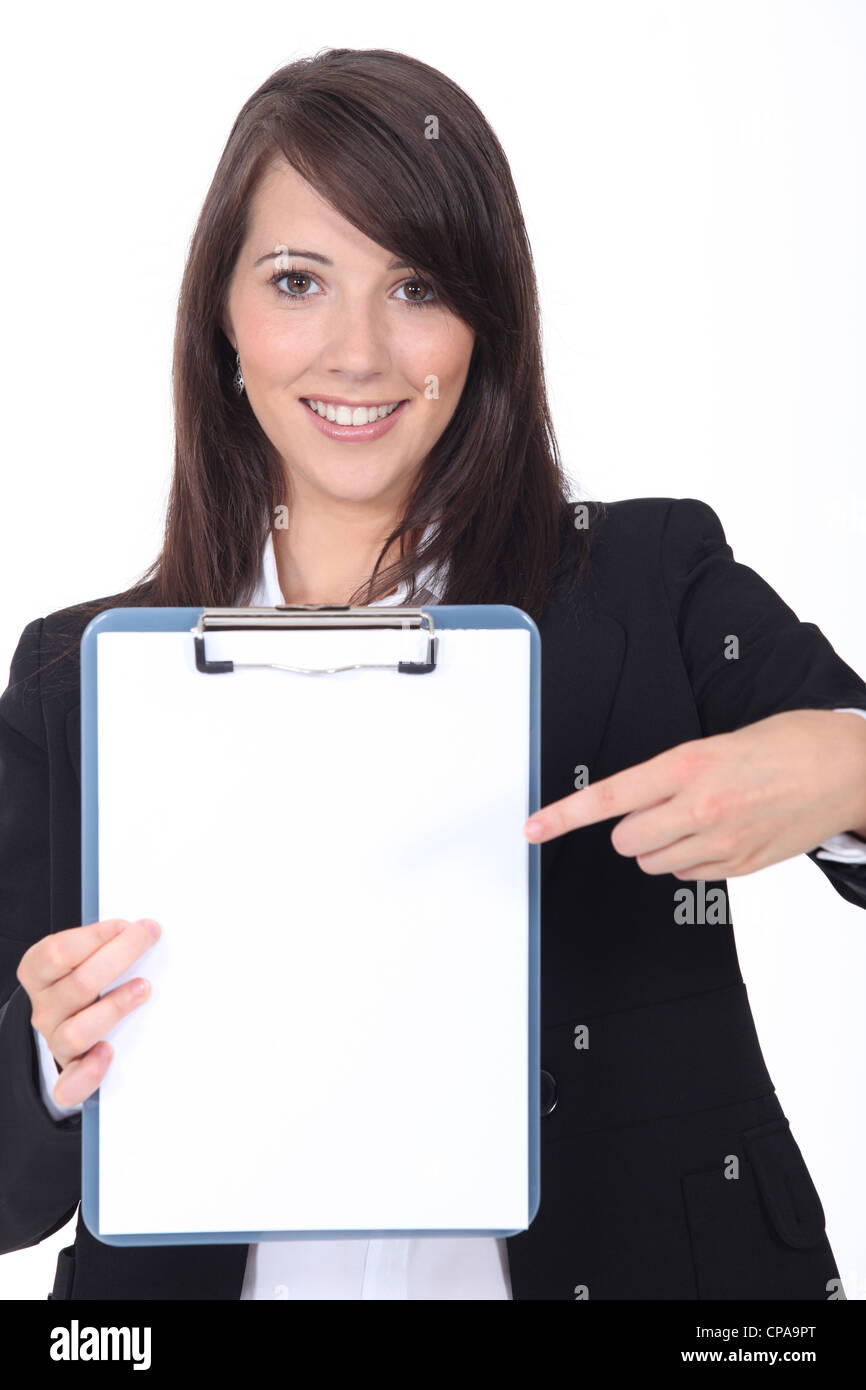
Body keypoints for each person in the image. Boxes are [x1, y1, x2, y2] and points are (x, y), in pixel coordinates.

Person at [2, 48, 866, 1302]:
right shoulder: (80, 674)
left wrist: (845, 767)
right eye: (297, 281)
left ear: (482, 324)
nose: (356, 351)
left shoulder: (648, 579)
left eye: (414, 285)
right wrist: (45, 1055)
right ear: (222, 326)